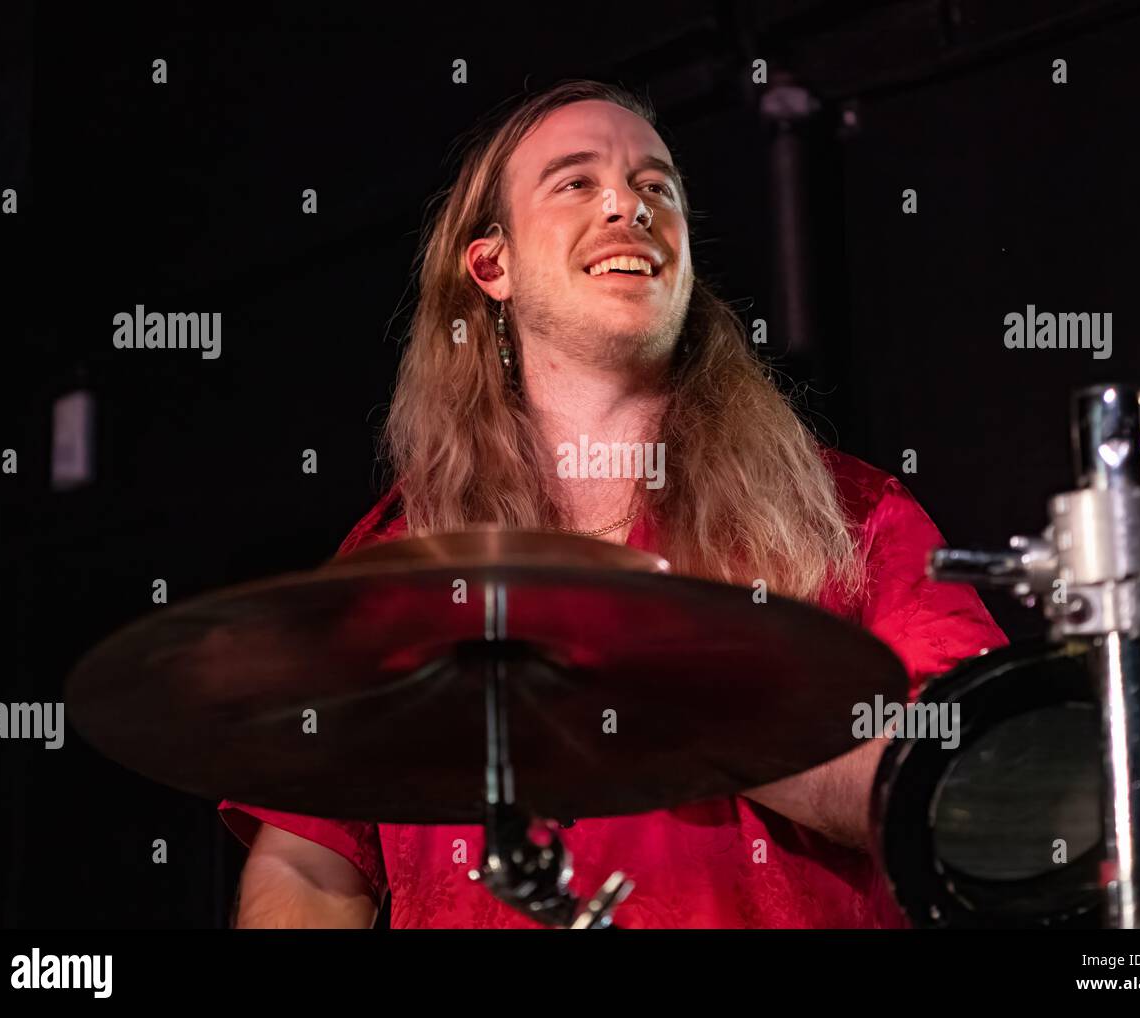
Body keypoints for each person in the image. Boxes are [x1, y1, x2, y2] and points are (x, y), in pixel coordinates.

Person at [221, 79, 1006, 929]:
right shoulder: (404, 555)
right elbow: (308, 863)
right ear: (494, 266)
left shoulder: (848, 511)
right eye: (576, 182)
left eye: (655, 188)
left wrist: (675, 695)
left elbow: (976, 781)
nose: (628, 207)